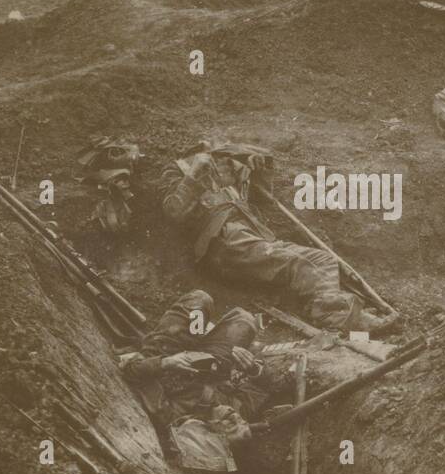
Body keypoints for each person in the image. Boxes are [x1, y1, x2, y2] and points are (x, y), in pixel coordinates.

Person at [156, 140, 395, 335]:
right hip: (223, 243)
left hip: (254, 238)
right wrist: (195, 173)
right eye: (213, 155)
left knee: (323, 259)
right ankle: (340, 319)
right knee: (298, 262)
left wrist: (259, 169)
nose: (222, 163)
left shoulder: (227, 177)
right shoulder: (178, 170)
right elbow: (173, 212)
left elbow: (264, 200)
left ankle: (337, 311)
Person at [117, 289, 286, 472]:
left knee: (199, 301)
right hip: (209, 363)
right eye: (241, 422)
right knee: (245, 321)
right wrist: (253, 369)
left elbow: (133, 370)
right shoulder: (237, 409)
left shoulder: (171, 412)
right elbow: (264, 388)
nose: (234, 415)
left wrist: (166, 362)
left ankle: (193, 332)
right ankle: (198, 332)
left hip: (166, 351)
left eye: (230, 424)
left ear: (208, 430)